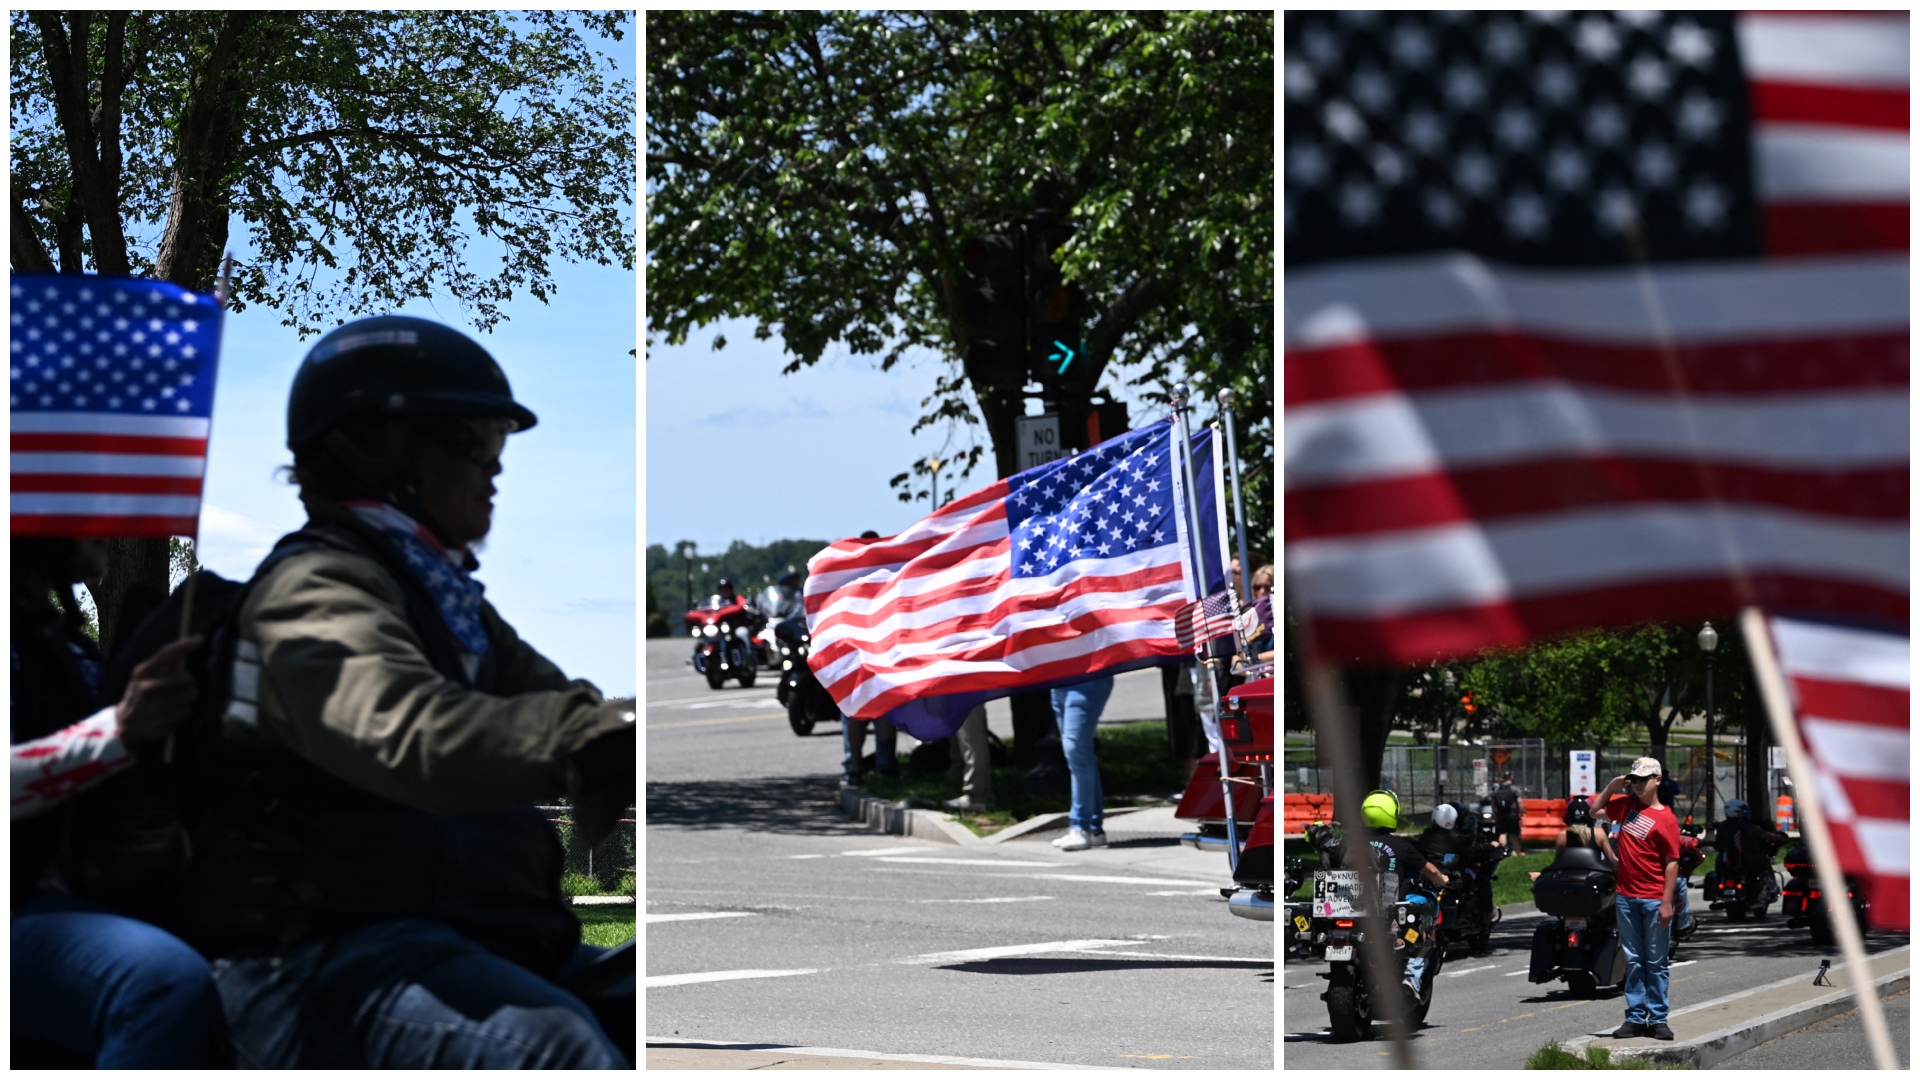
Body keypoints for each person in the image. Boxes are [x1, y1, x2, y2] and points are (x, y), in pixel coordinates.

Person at [173, 316, 636, 1068]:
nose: (497, 470)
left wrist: (625, 738)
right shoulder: (314, 588)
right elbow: (406, 731)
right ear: (377, 448)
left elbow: (563, 704)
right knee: (550, 1049)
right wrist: (577, 742)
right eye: (477, 443)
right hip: (317, 963)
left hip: (463, 939)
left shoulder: (445, 599)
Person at [11, 536, 225, 1068]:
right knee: (160, 983)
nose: (109, 524)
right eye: (85, 505)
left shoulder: (52, 632)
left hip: (66, 889)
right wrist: (118, 732)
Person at [1592, 758, 1682, 1042]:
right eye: (1634, 779)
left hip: (1654, 898)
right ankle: (1634, 1017)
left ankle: (1657, 1019)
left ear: (1657, 780)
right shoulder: (1625, 807)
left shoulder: (1666, 818)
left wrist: (1667, 902)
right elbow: (1595, 811)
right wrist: (1612, 786)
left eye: (1644, 779)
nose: (1638, 784)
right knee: (1634, 961)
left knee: (1656, 962)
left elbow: (1671, 862)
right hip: (1626, 897)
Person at [1358, 790, 1449, 994]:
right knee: (1422, 921)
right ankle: (1412, 977)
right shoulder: (1400, 845)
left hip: (1353, 908)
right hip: (1388, 911)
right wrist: (1442, 880)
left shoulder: (1349, 844)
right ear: (1392, 814)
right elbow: (1431, 871)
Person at [1050, 674, 1116, 851]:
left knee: (1076, 751)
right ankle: (1094, 829)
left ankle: (1080, 826)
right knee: (1079, 755)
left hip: (1088, 679)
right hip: (1059, 682)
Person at [941, 704, 993, 812]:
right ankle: (978, 793)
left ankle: (976, 796)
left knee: (971, 738)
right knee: (964, 733)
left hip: (967, 689)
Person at [1557, 795, 1617, 865]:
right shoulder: (1599, 833)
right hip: (1595, 873)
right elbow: (1612, 860)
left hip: (1569, 874)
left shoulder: (1562, 836)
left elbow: (1558, 863)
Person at [1492, 771, 1522, 855]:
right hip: (1512, 815)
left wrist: (1494, 813)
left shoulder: (1497, 789)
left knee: (1503, 833)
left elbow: (1493, 803)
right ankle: (1517, 852)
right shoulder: (1515, 789)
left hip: (1501, 814)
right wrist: (1521, 811)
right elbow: (1519, 802)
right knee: (1515, 834)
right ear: (1511, 778)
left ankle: (1501, 852)